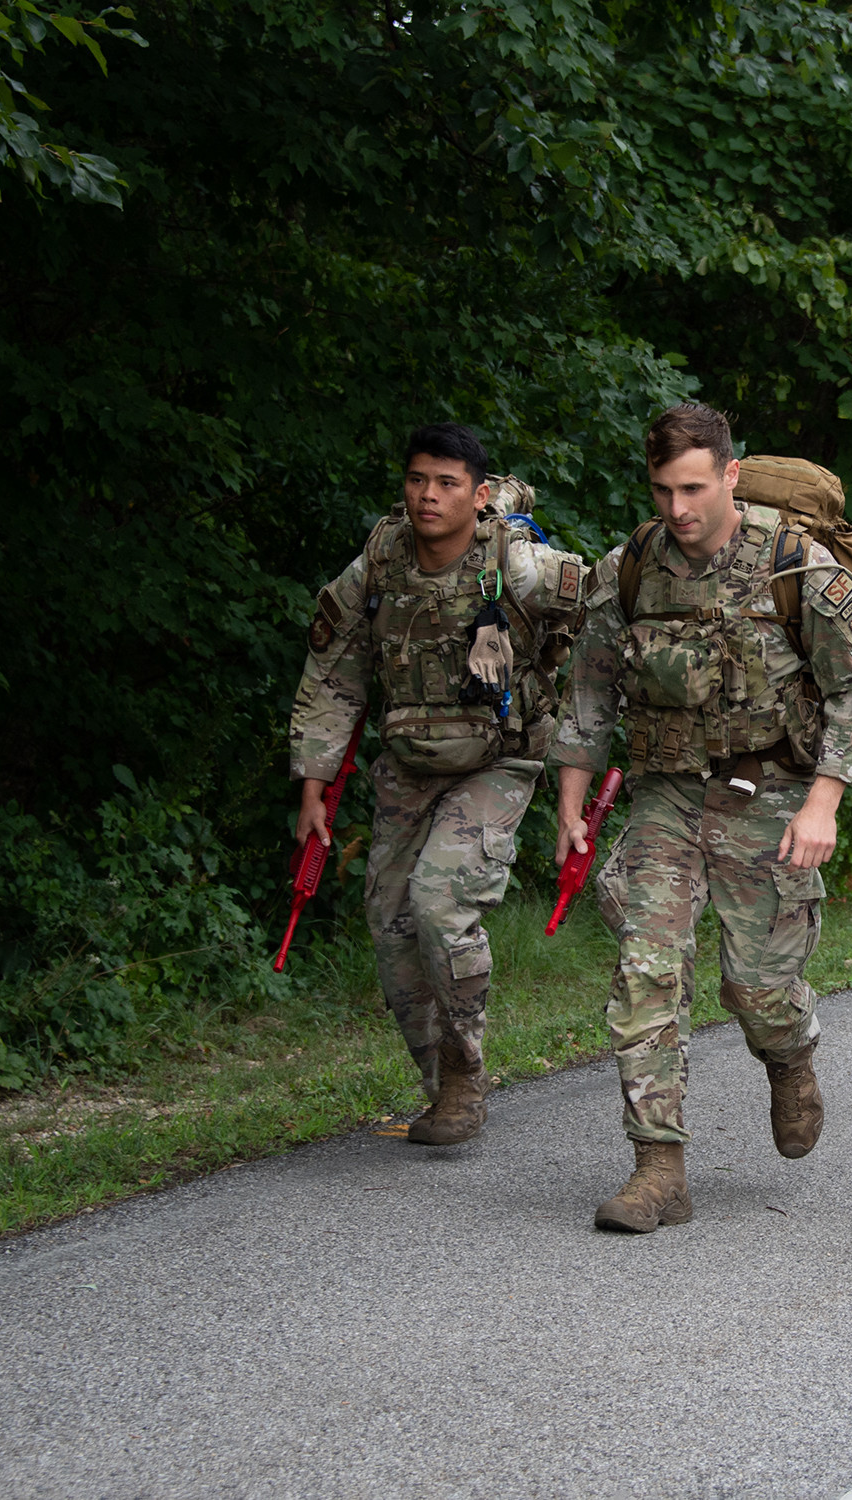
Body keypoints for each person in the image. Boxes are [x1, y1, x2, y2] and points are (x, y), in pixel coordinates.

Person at [550, 403, 852, 1234]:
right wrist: (570, 797)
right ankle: (658, 1169)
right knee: (645, 970)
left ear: (730, 475)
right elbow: (589, 684)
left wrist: (823, 801)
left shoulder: (794, 568)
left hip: (768, 796)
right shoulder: (629, 568)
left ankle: (789, 1053)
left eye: (694, 488)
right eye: (662, 490)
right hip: (666, 794)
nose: (678, 509)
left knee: (758, 987)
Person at [289, 423, 590, 1145]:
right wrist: (312, 781)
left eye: (448, 483)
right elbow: (334, 672)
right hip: (409, 765)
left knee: (438, 903)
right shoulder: (380, 562)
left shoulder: (517, 565)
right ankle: (443, 1084)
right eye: (418, 479)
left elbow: (606, 613)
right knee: (391, 928)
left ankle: (463, 1071)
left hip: (498, 760)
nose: (429, 495)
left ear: (479, 495)